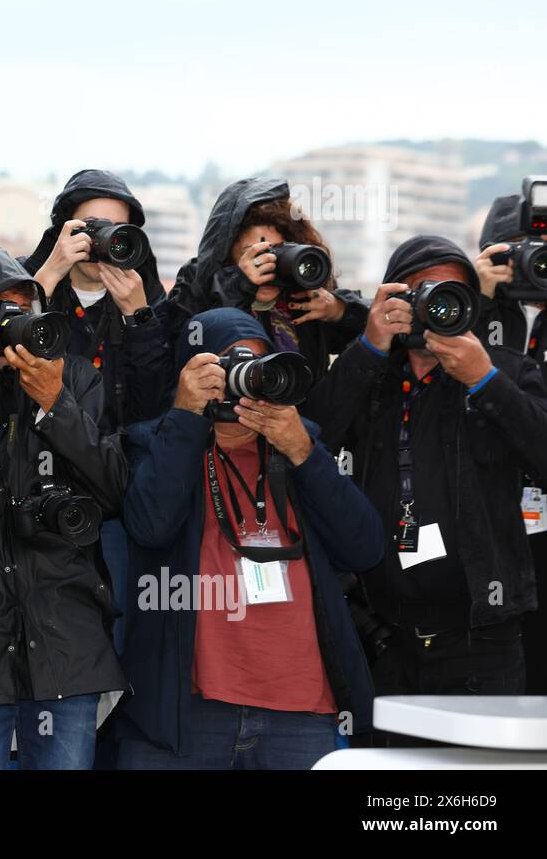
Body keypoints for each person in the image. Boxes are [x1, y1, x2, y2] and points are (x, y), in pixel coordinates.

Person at [115, 308, 383, 769]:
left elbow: (365, 548)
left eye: (259, 365)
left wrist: (302, 450)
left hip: (300, 709)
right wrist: (185, 416)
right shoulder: (156, 443)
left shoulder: (299, 446)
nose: (245, 378)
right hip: (186, 710)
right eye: (228, 364)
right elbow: (149, 526)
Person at [305, 235, 547, 721]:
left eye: (449, 292)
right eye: (418, 291)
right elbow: (311, 437)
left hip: (483, 637)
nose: (434, 303)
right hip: (383, 635)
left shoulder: (506, 372)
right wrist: (369, 345)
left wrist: (485, 379)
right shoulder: (370, 373)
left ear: (470, 306)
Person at [0, 247, 128, 770]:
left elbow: (112, 490)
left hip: (67, 644)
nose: (9, 323)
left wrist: (56, 405)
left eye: (21, 308)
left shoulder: (75, 378)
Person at [168, 178, 366, 386]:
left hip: (297, 416)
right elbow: (183, 344)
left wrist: (339, 310)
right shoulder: (198, 282)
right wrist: (238, 286)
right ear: (226, 255)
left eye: (278, 251)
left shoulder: (303, 297)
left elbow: (372, 346)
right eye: (254, 254)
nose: (268, 263)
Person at [24, 169, 176, 432]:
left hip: (115, 458)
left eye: (116, 229)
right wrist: (44, 283)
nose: (103, 239)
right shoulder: (26, 280)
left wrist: (139, 317)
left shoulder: (147, 296)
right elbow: (8, 370)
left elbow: (153, 404)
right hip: (38, 452)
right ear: (64, 229)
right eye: (92, 226)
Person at [474, 193, 547, 692]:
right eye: (518, 250)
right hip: (485, 531)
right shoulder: (468, 318)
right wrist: (474, 301)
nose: (534, 262)